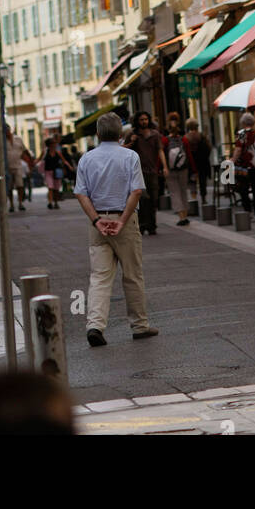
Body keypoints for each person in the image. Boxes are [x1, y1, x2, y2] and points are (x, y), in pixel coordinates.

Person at [74, 113, 158, 347]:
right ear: (120, 133)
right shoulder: (130, 156)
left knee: (100, 277)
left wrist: (96, 220)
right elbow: (137, 191)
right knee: (132, 274)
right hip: (126, 219)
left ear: (98, 134)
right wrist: (122, 220)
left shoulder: (86, 159)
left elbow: (81, 193)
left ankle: (95, 325)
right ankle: (139, 325)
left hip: (98, 221)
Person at [127, 111, 167, 235]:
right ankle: (143, 224)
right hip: (138, 172)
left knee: (153, 199)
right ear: (137, 121)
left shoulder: (155, 135)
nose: (144, 122)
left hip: (152, 172)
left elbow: (160, 150)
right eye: (141, 120)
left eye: (145, 119)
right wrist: (132, 142)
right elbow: (124, 150)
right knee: (142, 199)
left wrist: (165, 166)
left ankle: (152, 225)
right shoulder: (132, 135)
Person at [163, 112, 196, 226]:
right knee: (183, 191)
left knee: (174, 192)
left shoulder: (165, 140)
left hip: (171, 170)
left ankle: (181, 217)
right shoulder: (184, 139)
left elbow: (161, 155)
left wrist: (163, 168)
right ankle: (186, 215)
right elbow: (189, 156)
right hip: (184, 169)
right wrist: (193, 170)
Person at [232, 112, 255, 218]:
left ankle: (247, 211)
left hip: (244, 166)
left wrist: (232, 160)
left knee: (243, 189)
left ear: (242, 123)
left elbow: (238, 149)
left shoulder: (241, 133)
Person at [38, 136, 73, 210]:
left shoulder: (58, 152)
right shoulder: (45, 152)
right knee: (50, 187)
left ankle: (56, 202)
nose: (55, 144)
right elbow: (39, 159)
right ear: (50, 144)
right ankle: (50, 202)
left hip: (57, 172)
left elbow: (64, 161)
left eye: (55, 143)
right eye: (53, 143)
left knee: (56, 189)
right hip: (48, 172)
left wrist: (69, 166)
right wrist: (32, 164)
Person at [186, 119, 212, 204]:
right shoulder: (201, 136)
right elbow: (208, 148)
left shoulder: (186, 138)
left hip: (191, 163)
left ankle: (194, 200)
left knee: (192, 181)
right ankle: (203, 198)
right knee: (202, 181)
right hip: (202, 163)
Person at [5, 127, 27, 213]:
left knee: (20, 185)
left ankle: (20, 203)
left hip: (18, 165)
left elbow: (24, 150)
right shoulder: (2, 141)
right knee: (9, 187)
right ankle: (11, 204)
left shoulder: (18, 139)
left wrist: (28, 161)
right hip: (8, 167)